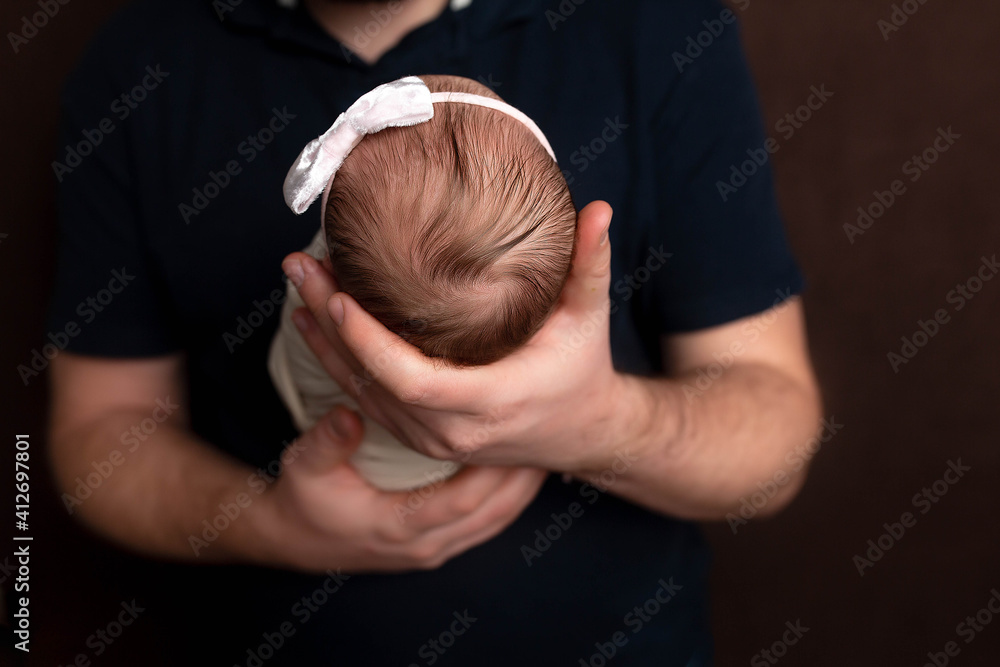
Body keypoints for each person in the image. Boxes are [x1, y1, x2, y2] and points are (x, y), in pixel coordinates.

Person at [46, 0, 822, 665]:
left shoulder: (657, 27)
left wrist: (591, 424)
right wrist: (275, 523)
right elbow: (98, 437)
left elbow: (774, 447)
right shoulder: (136, 68)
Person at [269, 73, 577, 490]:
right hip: (452, 460)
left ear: (332, 267)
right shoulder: (534, 339)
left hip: (342, 439)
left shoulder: (319, 282)